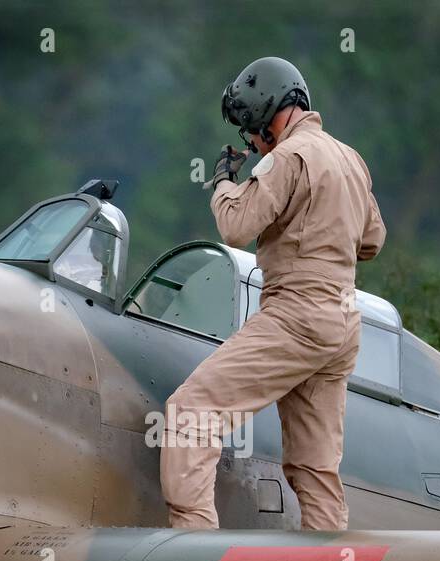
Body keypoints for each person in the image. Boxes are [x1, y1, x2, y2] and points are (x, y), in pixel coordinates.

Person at [160, 56, 386, 530]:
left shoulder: (289, 156)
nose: (253, 141)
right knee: (315, 468)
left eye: (250, 126)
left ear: (267, 114)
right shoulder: (350, 159)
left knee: (191, 412)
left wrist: (224, 183)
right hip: (343, 324)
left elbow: (236, 226)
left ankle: (190, 558)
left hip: (297, 314)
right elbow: (372, 241)